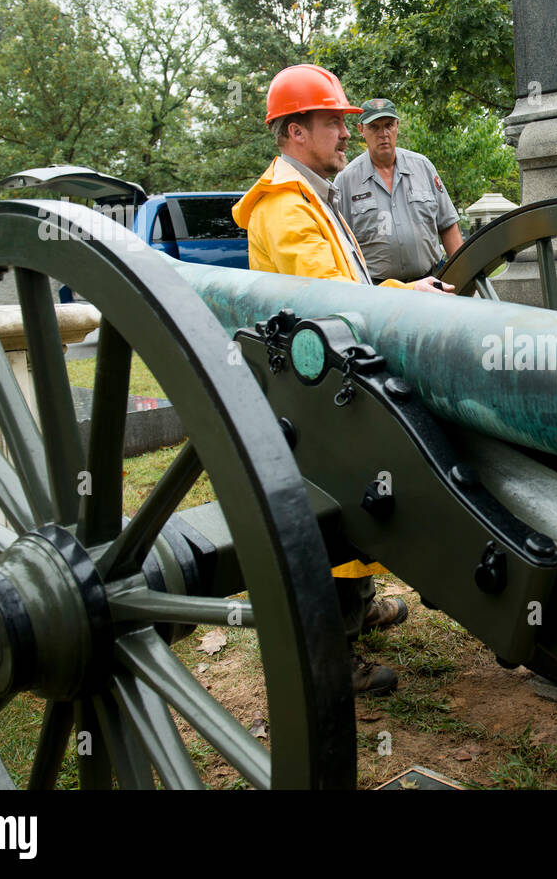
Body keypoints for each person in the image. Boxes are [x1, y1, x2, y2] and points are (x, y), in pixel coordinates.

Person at [232, 63, 454, 695]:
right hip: (310, 379)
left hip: (331, 363)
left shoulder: (311, 193)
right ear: (295, 131)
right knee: (338, 496)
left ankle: (359, 599)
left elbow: (347, 286)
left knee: (363, 487)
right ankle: (336, 642)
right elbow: (330, 300)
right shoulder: (282, 207)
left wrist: (403, 290)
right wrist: (405, 294)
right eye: (334, 122)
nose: (347, 135)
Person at [334, 98, 464, 284]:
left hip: (431, 283)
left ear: (397, 125)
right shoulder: (346, 181)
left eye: (388, 125)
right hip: (379, 292)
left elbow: (448, 225)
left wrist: (464, 277)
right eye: (374, 127)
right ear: (361, 130)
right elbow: (340, 245)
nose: (383, 134)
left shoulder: (423, 167)